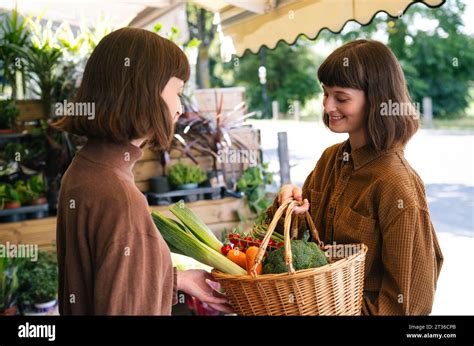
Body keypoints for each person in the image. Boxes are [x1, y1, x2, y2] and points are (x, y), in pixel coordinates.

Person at [53, 28, 231, 315]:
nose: (179, 109)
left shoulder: (84, 171)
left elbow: (108, 281)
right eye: (177, 93)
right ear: (144, 92)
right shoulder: (119, 197)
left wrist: (177, 280)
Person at [266, 40, 444, 315]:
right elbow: (292, 246)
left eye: (341, 97)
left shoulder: (396, 184)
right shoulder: (330, 160)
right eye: (325, 94)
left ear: (377, 100)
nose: (328, 107)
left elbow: (409, 304)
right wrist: (287, 205)